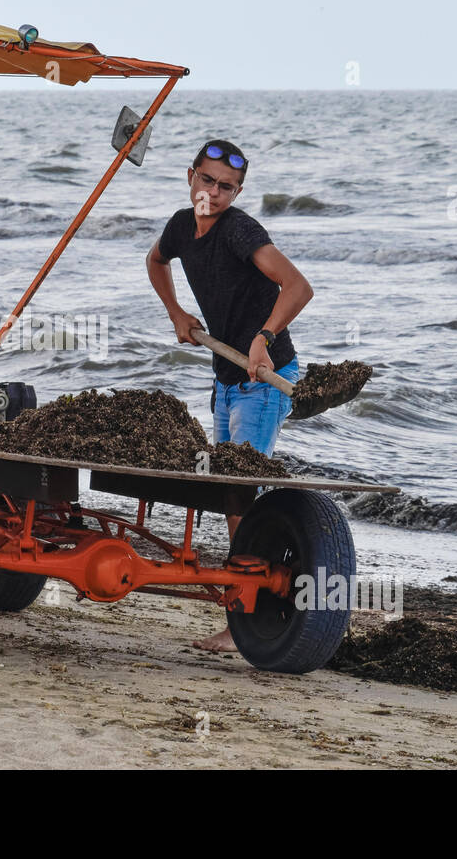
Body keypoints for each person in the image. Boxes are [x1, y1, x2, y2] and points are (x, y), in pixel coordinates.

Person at [145, 140, 314, 654]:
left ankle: (249, 621)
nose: (213, 194)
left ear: (237, 192)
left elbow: (298, 286)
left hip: (264, 380)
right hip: (225, 378)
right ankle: (247, 613)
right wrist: (177, 313)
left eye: (226, 187)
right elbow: (155, 261)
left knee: (242, 498)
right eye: (207, 180)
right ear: (189, 175)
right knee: (233, 498)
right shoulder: (181, 226)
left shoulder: (240, 230)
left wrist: (263, 337)